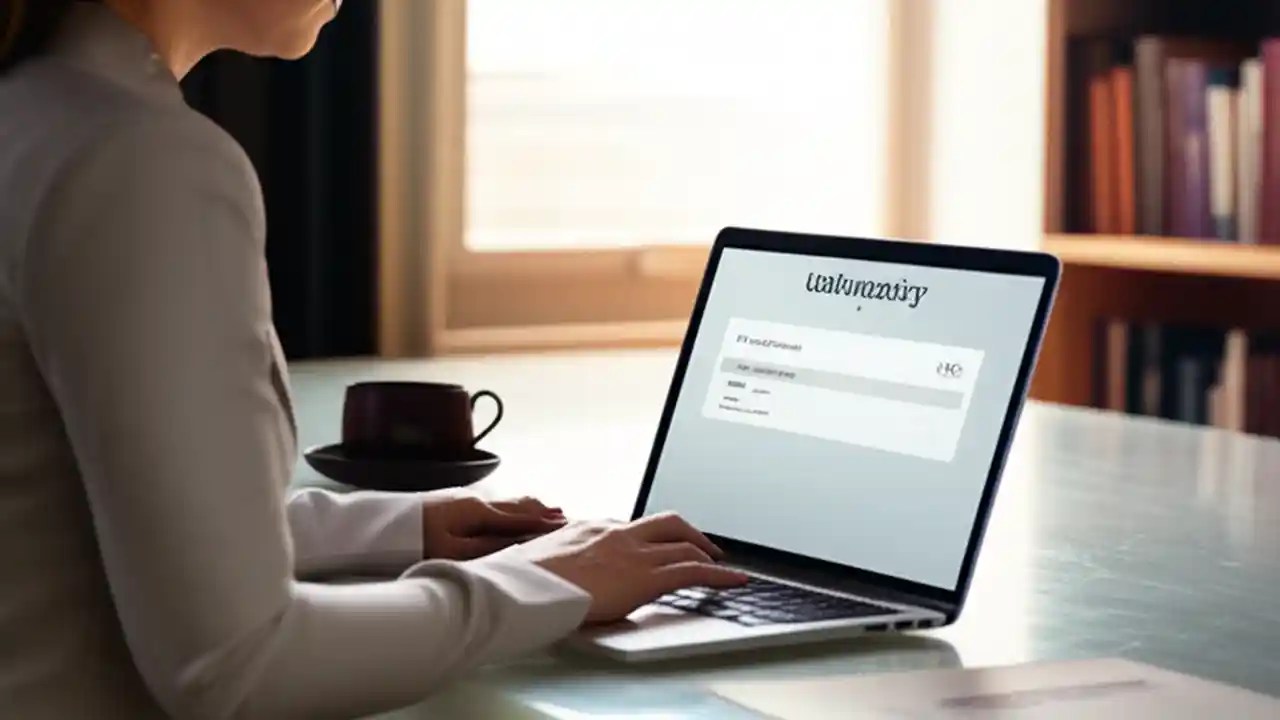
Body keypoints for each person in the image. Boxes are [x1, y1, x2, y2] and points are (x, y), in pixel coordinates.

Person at [0, 1, 747, 717]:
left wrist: (397, 527)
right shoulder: (138, 160)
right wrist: (545, 580)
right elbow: (238, 665)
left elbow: (90, 524)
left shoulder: (39, 111)